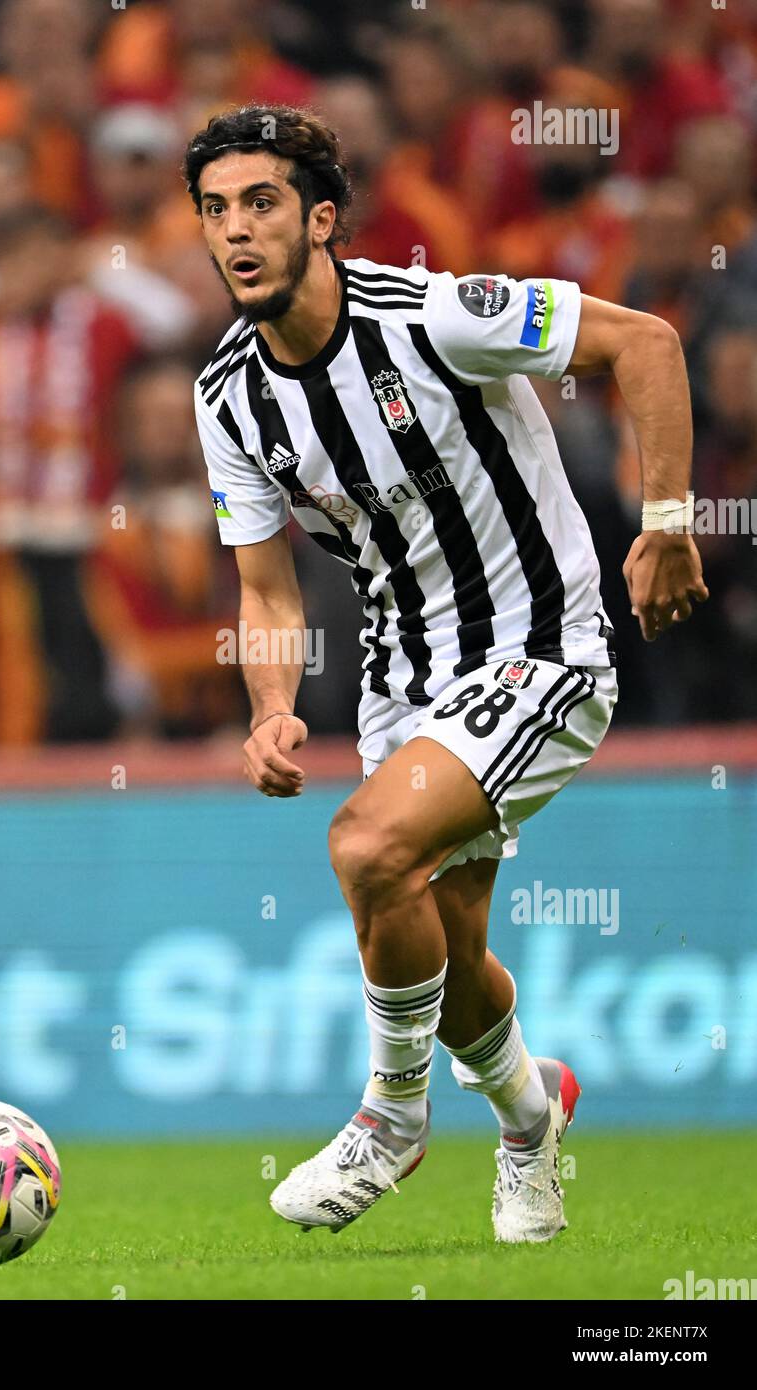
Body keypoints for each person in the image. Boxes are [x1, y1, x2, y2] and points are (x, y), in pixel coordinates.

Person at [184, 105, 708, 1242]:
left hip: (541, 648)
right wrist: (272, 708)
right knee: (443, 945)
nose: (236, 230)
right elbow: (266, 588)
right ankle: (530, 1119)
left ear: (322, 220)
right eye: (216, 210)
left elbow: (644, 344)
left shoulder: (433, 315)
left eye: (262, 203)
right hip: (400, 676)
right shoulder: (223, 394)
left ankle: (391, 1116)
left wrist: (664, 519)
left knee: (365, 844)